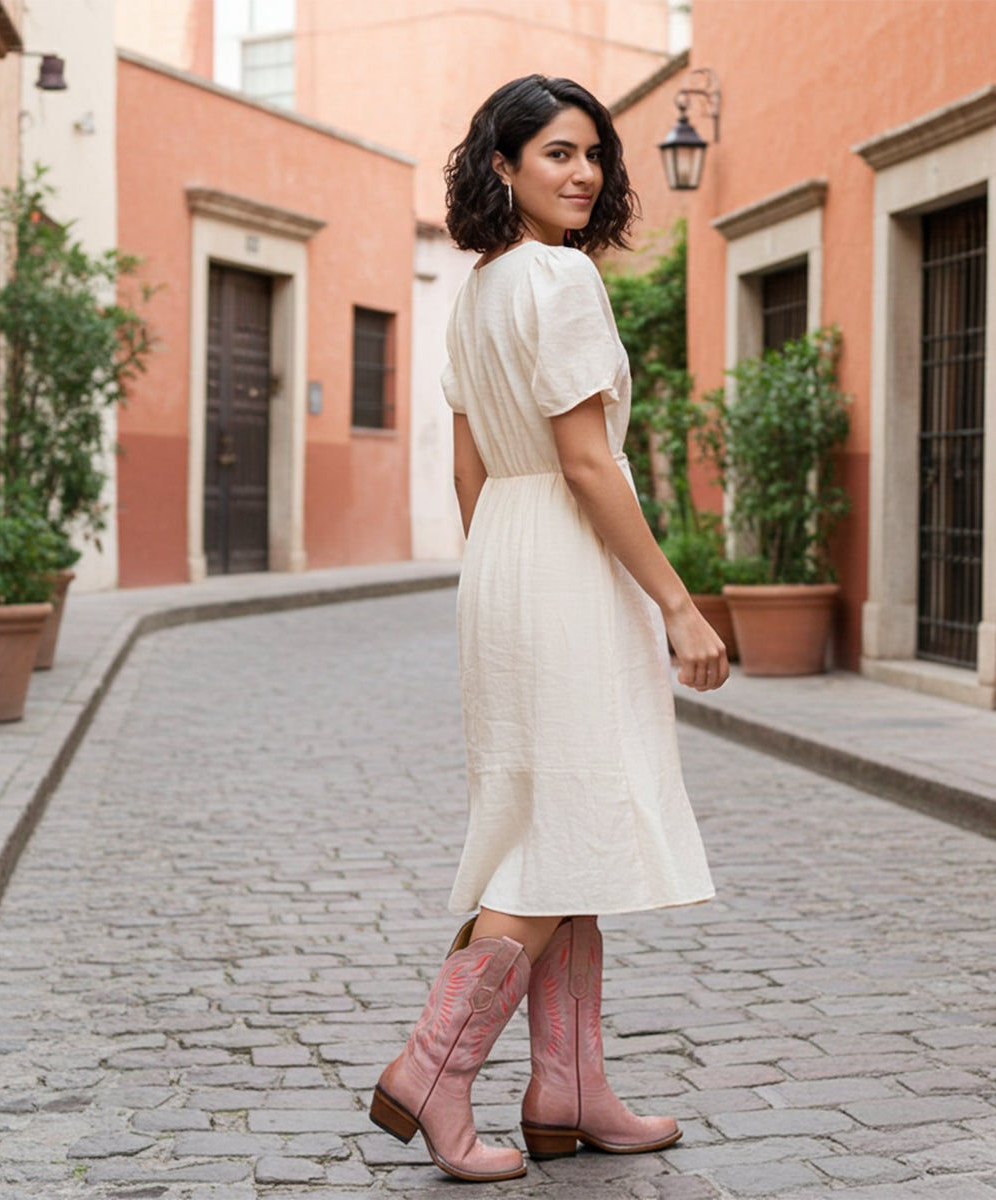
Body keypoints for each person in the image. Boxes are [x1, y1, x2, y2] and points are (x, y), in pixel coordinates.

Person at [369, 74, 729, 1184]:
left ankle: (570, 1093)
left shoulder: (476, 292)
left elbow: (475, 474)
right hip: (566, 559)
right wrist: (675, 601)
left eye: (593, 157)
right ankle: (431, 1073)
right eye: (558, 154)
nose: (583, 175)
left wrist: (502, 582)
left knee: (553, 816)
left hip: (507, 563)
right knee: (554, 831)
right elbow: (586, 460)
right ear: (505, 167)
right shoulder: (562, 282)